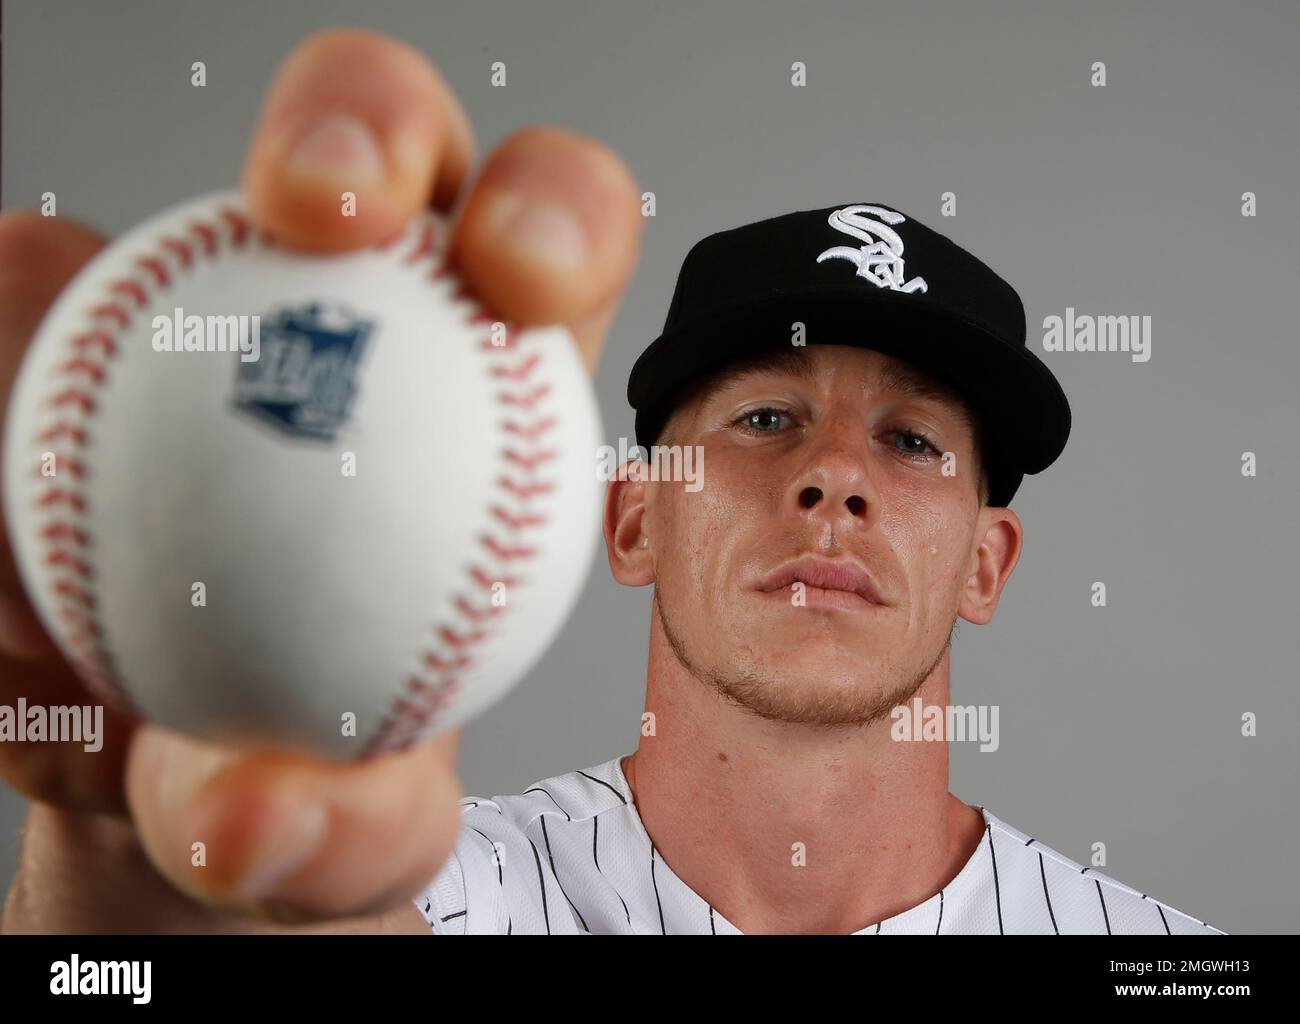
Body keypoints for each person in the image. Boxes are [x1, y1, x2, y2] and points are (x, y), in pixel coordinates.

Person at [0, 29, 1216, 936]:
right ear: (633, 518)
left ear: (986, 563)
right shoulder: (411, 895)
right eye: (766, 416)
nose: (833, 475)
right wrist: (151, 861)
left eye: (910, 442)